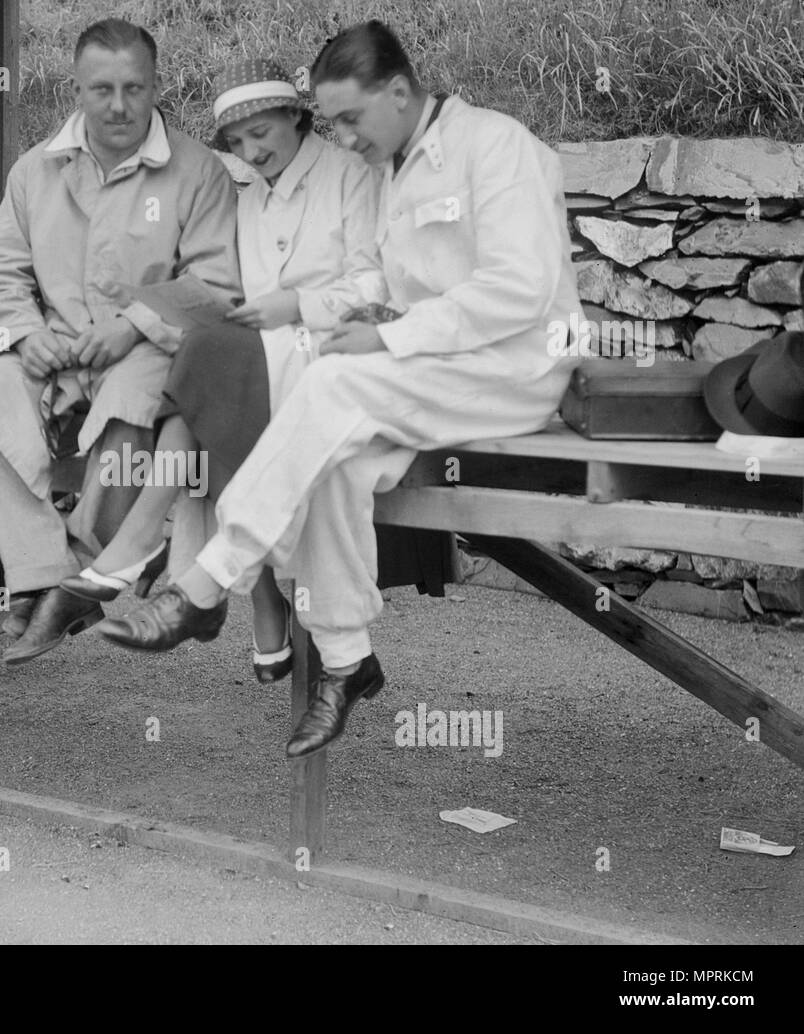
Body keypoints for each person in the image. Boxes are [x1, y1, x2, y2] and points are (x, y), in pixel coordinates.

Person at [100, 20, 584, 759]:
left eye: (352, 119)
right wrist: (343, 318)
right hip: (432, 366)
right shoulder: (392, 167)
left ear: (398, 90)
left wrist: (387, 337)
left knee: (328, 384)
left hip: (513, 368)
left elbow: (519, 290)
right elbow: (385, 283)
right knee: (333, 455)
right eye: (334, 124)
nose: (345, 139)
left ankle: (204, 585)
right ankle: (348, 659)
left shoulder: (497, 146)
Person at [61, 58, 452, 684]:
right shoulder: (248, 198)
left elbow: (379, 278)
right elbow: (239, 289)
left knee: (207, 377)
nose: (251, 150)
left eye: (261, 134)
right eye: (238, 143)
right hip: (266, 358)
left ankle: (152, 556)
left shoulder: (352, 174)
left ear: (297, 119)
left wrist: (296, 307)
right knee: (206, 373)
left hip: (340, 349)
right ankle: (232, 598)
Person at [0, 18, 240, 666]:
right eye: (101, 89)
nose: (118, 105)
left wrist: (134, 323)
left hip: (149, 349)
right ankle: (39, 573)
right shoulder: (35, 171)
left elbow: (220, 285)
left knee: (133, 407)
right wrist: (22, 335)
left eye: (134, 88)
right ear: (76, 88)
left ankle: (82, 575)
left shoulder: (198, 172)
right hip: (55, 347)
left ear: (157, 84)